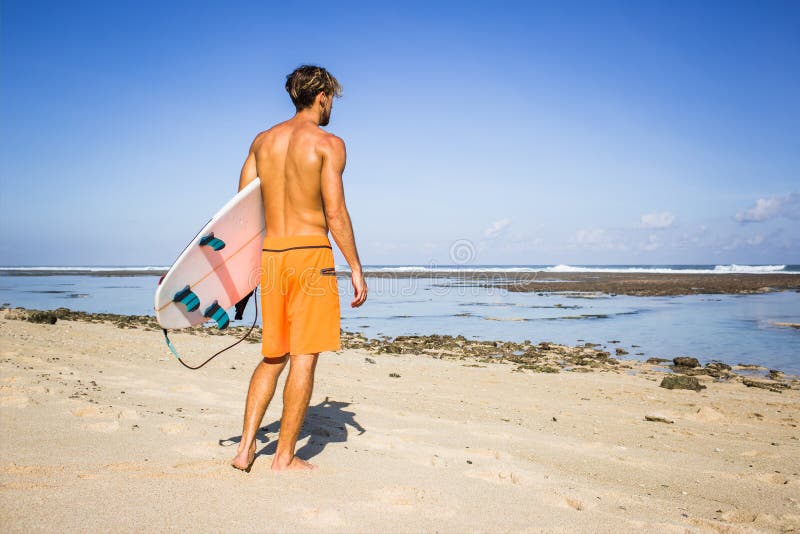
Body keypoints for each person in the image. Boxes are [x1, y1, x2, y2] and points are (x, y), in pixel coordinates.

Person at [231, 65, 367, 472]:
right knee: (304, 358)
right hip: (311, 255)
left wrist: (240, 273)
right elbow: (335, 212)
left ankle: (245, 449)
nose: (331, 107)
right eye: (332, 99)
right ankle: (285, 457)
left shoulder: (262, 142)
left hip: (271, 257)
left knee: (273, 356)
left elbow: (242, 210)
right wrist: (356, 267)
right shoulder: (329, 143)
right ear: (322, 95)